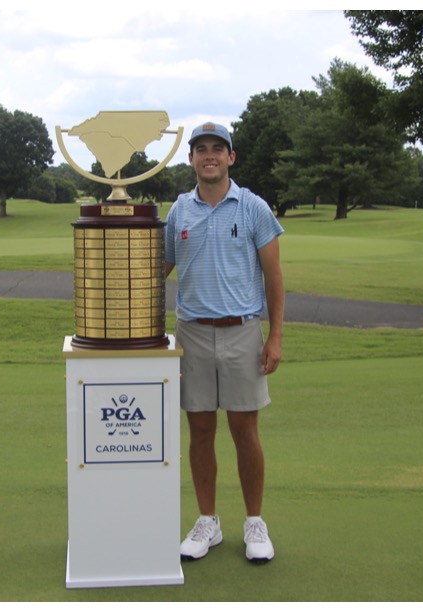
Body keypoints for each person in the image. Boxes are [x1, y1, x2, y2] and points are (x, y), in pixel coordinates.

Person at [164, 121, 285, 563]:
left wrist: (275, 337)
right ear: (192, 158)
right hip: (192, 334)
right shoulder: (179, 210)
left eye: (218, 149)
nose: (209, 155)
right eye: (201, 149)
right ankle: (208, 522)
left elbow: (274, 276)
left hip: (242, 333)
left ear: (231, 157)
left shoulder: (252, 207)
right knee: (199, 430)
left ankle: (254, 523)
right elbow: (161, 269)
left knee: (244, 430)